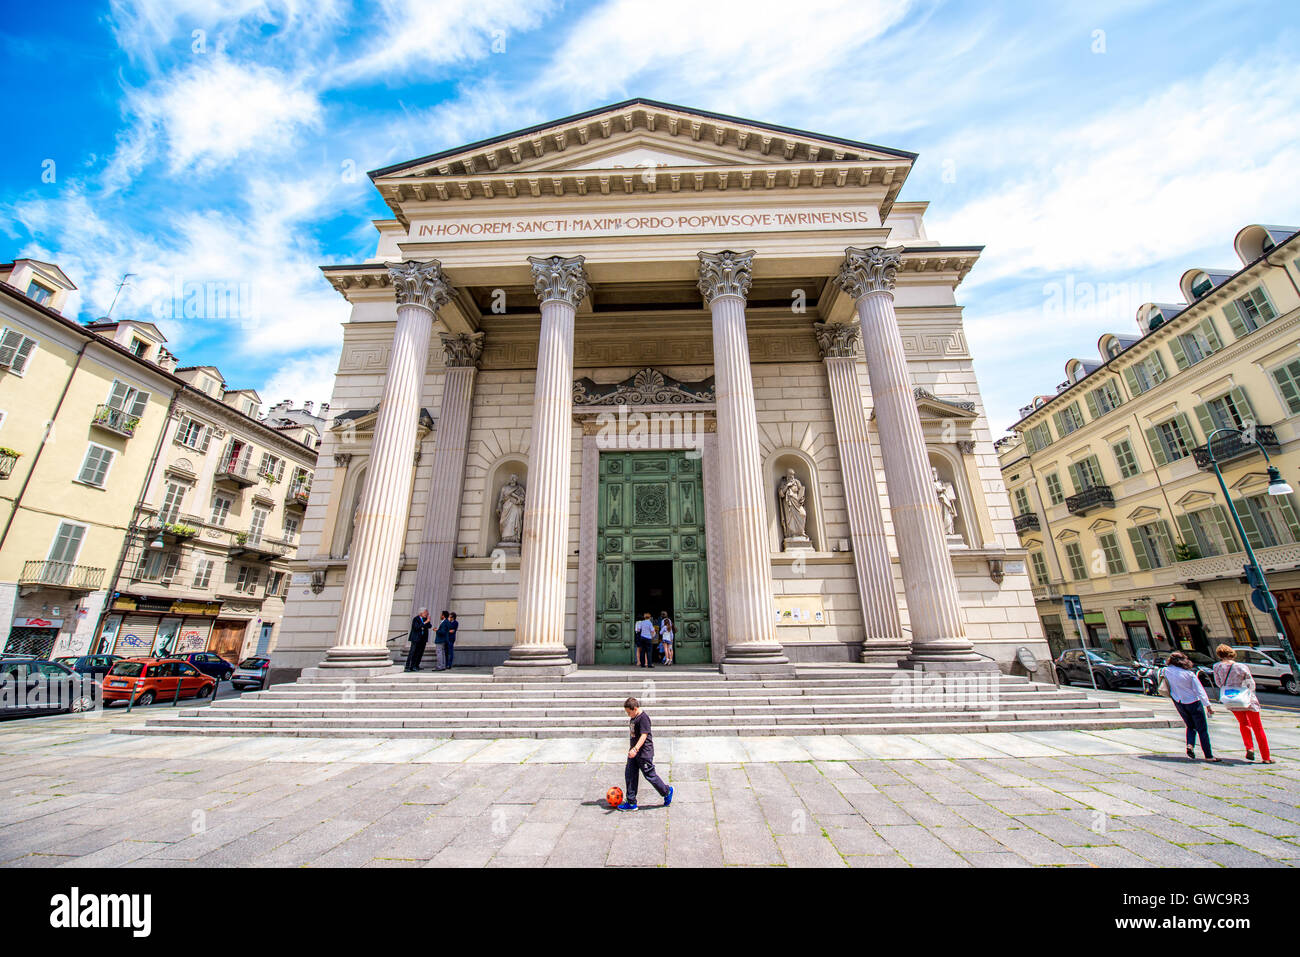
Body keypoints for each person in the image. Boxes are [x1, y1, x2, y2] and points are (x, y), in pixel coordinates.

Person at [1213, 644, 1272, 764]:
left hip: (1232, 699)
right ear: (1231, 653)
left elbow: (1219, 683)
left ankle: (1249, 747)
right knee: (1257, 727)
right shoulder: (1241, 666)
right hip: (1247, 699)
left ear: (1219, 655)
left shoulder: (1217, 667)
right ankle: (1266, 757)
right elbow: (1251, 684)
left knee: (1243, 723)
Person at [617, 696, 672, 811]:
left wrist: (635, 749)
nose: (628, 715)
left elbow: (644, 735)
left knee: (650, 775)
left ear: (635, 708)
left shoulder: (643, 718)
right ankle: (631, 802)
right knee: (630, 774)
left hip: (643, 753)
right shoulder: (634, 716)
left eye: (629, 712)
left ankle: (666, 791)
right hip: (634, 753)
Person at [1163, 650, 1219, 762]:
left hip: (1178, 701)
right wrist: (1208, 705)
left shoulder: (1165, 671)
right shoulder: (1189, 674)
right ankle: (1208, 755)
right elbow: (1200, 690)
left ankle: (1190, 745)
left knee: (1190, 726)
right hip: (1193, 702)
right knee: (1202, 729)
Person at [404, 608, 432, 672]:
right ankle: (408, 666)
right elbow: (416, 627)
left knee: (419, 653)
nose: (426, 614)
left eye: (427, 613)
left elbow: (429, 626)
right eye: (425, 613)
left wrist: (427, 621)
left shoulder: (425, 619)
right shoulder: (416, 619)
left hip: (422, 639)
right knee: (412, 652)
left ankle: (415, 665)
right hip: (415, 638)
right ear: (421, 613)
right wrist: (425, 623)